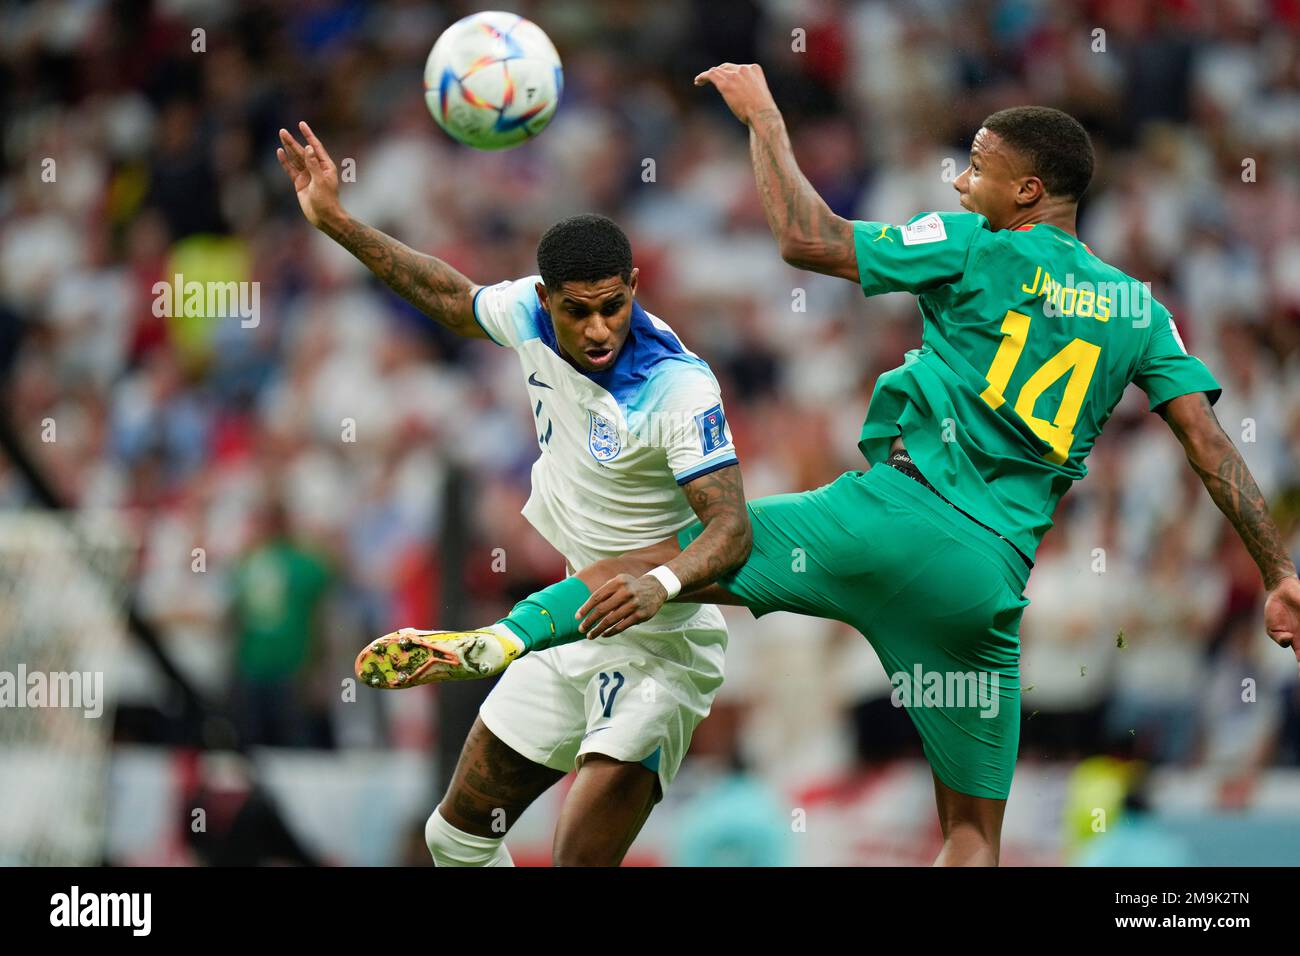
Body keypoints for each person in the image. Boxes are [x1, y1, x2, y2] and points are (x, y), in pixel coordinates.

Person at [377, 66, 1300, 867]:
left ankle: (498, 642)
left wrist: (764, 121)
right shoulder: (1142, 311)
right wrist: (1279, 572)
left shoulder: (972, 242)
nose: (962, 175)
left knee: (680, 552)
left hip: (879, 522)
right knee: (974, 833)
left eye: (979, 164)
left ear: (1028, 193)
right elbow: (1211, 448)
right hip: (985, 586)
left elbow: (804, 239)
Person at [276, 122, 751, 866]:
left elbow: (732, 531)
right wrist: (336, 220)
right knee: (455, 838)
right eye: (577, 310)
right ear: (547, 299)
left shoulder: (677, 389)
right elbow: (447, 294)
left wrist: (659, 584)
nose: (598, 328)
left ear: (633, 289)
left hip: (661, 643)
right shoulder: (526, 313)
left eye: (612, 306)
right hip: (568, 623)